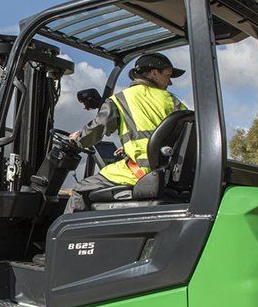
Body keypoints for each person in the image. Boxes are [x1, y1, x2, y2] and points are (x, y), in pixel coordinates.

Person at [65, 52, 187, 212]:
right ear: (154, 73)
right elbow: (177, 134)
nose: (170, 82)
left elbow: (97, 129)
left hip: (141, 172)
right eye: (168, 76)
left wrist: (77, 139)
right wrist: (129, 147)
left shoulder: (121, 99)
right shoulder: (172, 100)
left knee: (79, 191)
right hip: (170, 173)